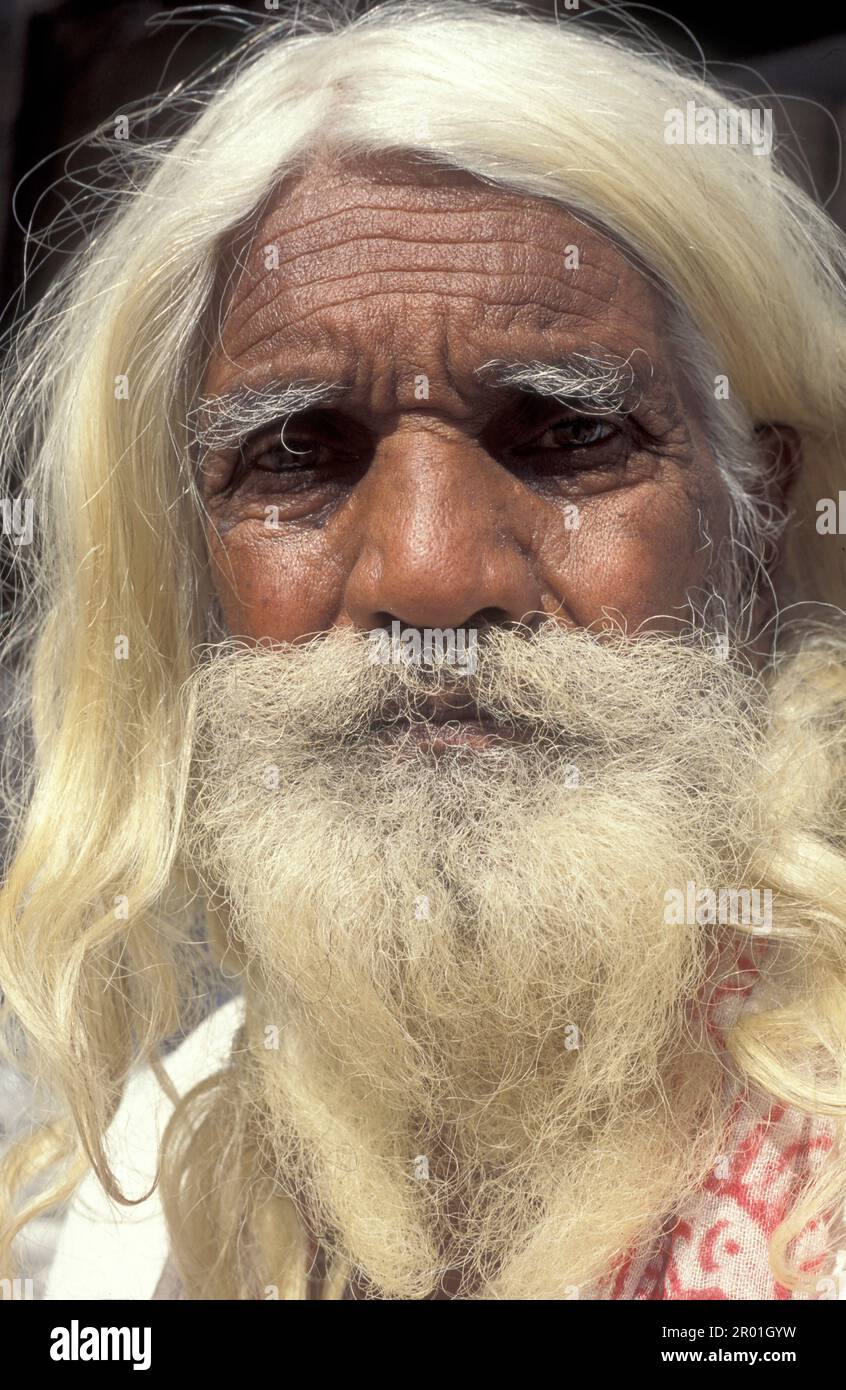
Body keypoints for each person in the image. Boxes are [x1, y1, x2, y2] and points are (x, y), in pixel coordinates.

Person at [2, 0, 846, 1301]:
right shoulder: (142, 1198)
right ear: (196, 550)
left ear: (753, 516)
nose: (432, 574)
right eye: (295, 451)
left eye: (564, 432)